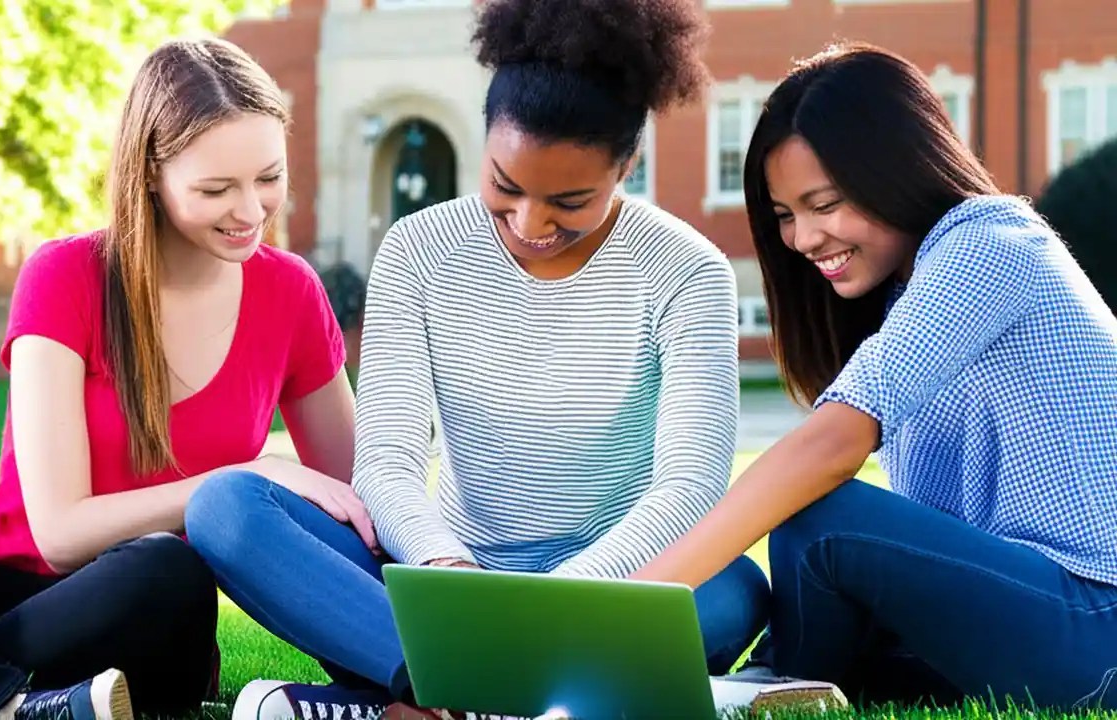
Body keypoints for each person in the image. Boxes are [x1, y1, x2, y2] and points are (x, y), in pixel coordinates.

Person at [185, 1, 775, 717]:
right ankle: (502, 692)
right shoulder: (418, 250)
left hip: (616, 580)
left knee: (736, 590)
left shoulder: (689, 272)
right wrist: (448, 570)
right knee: (228, 506)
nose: (531, 224)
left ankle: (415, 700)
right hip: (449, 578)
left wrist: (554, 601)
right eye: (505, 187)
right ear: (484, 141)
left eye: (570, 201)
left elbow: (688, 489)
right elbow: (388, 464)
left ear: (629, 164)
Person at [0, 37, 358, 720]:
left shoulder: (290, 293)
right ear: (149, 174)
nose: (252, 211)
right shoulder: (65, 277)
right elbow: (58, 534)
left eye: (269, 178)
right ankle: (0, 702)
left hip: (150, 614)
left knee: (165, 564)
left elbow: (357, 492)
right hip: (2, 593)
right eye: (215, 189)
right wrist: (247, 478)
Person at [632, 42, 1117, 711]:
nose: (801, 239)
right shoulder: (899, 300)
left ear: (894, 169)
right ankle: (761, 683)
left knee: (822, 517)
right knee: (814, 555)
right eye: (785, 216)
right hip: (1026, 615)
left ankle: (761, 683)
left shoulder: (993, 243)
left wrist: (644, 594)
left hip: (1095, 623)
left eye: (823, 203)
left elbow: (832, 448)